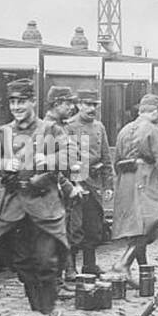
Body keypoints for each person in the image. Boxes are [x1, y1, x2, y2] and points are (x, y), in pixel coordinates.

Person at [0, 78, 71, 313]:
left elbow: (71, 155)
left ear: (32, 102)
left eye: (22, 102)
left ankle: (46, 313)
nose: (17, 107)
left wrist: (48, 160)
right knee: (22, 263)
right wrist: (4, 163)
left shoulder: (50, 130)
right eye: (13, 103)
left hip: (45, 206)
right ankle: (37, 310)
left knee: (46, 262)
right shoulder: (3, 132)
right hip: (15, 208)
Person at [110, 92, 158, 281]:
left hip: (126, 179)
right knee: (148, 225)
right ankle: (123, 263)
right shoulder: (153, 130)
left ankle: (144, 272)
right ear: (155, 111)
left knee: (136, 227)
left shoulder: (124, 130)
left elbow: (116, 159)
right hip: (145, 178)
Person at [44, 86, 87, 283]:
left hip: (64, 189)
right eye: (68, 103)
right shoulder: (47, 129)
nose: (72, 107)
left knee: (68, 232)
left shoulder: (61, 127)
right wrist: (69, 186)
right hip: (52, 190)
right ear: (56, 104)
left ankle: (66, 274)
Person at [69, 89, 111, 276]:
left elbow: (106, 157)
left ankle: (89, 265)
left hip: (94, 184)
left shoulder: (99, 127)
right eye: (87, 104)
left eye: (94, 105)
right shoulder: (69, 127)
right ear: (78, 105)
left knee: (93, 227)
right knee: (74, 227)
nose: (91, 108)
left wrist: (108, 184)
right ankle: (70, 269)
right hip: (76, 183)